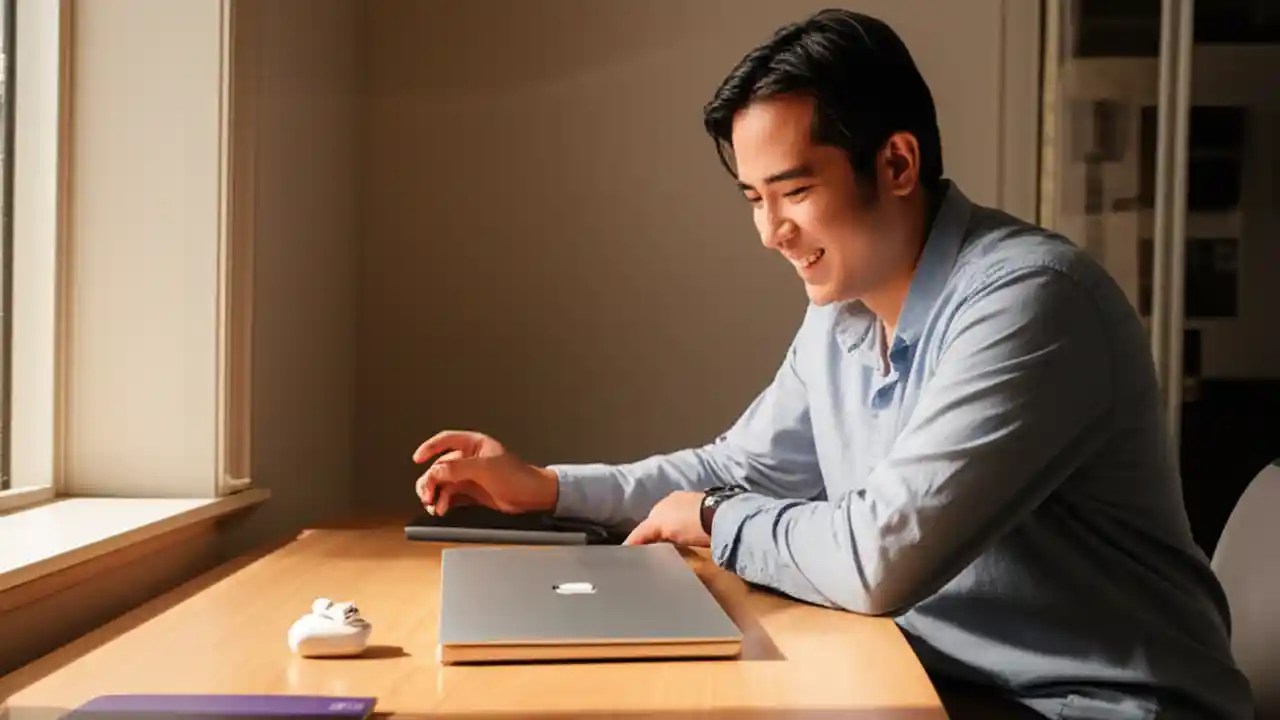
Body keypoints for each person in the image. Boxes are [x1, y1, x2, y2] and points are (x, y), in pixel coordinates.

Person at [410, 9, 1253, 719]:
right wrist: (549, 487)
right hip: (944, 677)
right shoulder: (845, 311)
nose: (770, 232)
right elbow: (737, 467)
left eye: (795, 192)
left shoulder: (1031, 302)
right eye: (754, 198)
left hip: (1095, 705)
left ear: (895, 164)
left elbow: (874, 557)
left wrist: (713, 519)